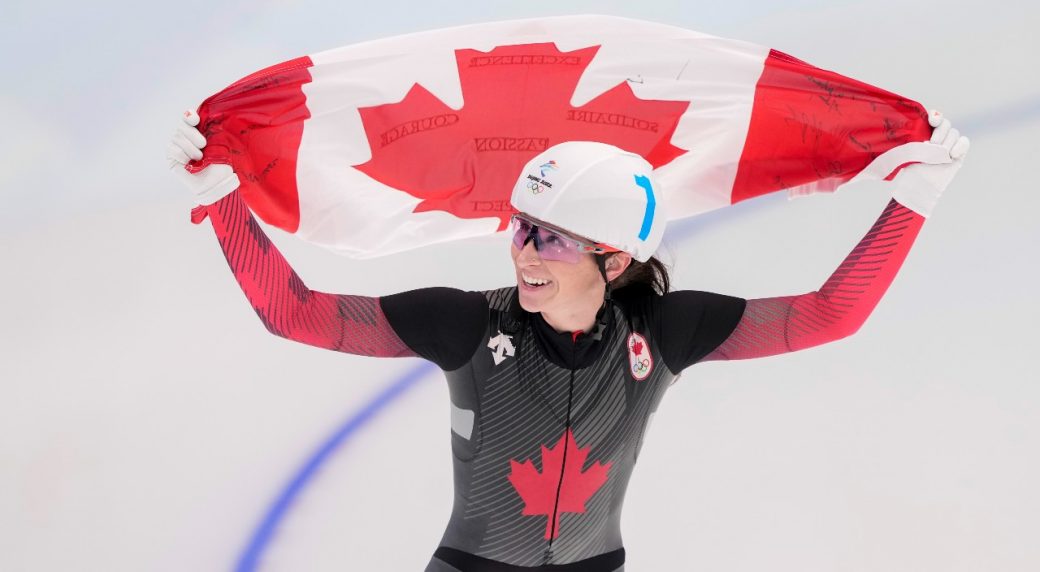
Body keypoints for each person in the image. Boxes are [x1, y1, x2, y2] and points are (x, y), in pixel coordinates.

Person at [168, 109, 968, 572]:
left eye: (551, 239)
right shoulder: (469, 324)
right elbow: (297, 312)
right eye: (520, 229)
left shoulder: (666, 331)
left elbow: (830, 314)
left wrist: (916, 200)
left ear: (614, 258)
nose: (522, 252)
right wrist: (224, 204)